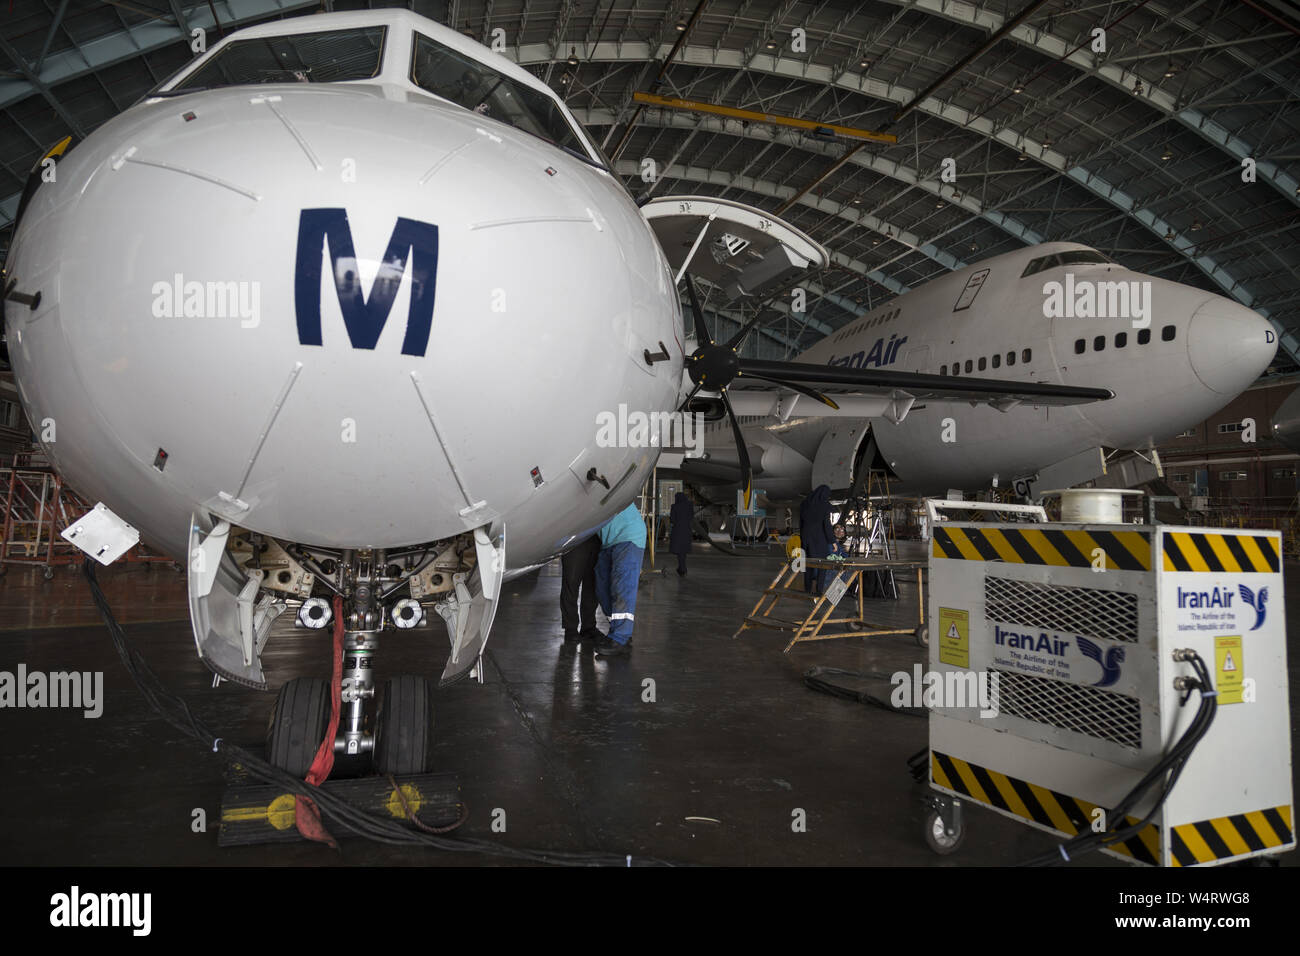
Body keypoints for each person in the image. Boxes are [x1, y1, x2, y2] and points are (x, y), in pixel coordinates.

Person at [591, 502, 646, 657]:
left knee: (621, 587)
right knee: (602, 588)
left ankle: (620, 638)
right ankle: (618, 632)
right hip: (609, 540)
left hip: (629, 536)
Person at [559, 533, 602, 645]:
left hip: (597, 537)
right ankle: (570, 628)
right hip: (575, 537)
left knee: (592, 585)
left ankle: (589, 627)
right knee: (571, 583)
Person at [799, 484, 834, 595]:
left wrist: (803, 539)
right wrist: (832, 541)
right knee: (822, 565)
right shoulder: (824, 505)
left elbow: (801, 524)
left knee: (808, 565)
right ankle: (819, 590)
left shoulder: (805, 504)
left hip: (806, 539)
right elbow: (827, 525)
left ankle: (807, 589)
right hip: (819, 539)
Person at [668, 491, 694, 576]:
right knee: (683, 551)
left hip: (677, 531)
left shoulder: (674, 506)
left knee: (680, 551)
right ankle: (682, 568)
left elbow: (672, 520)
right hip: (687, 531)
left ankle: (682, 569)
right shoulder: (690, 505)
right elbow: (691, 517)